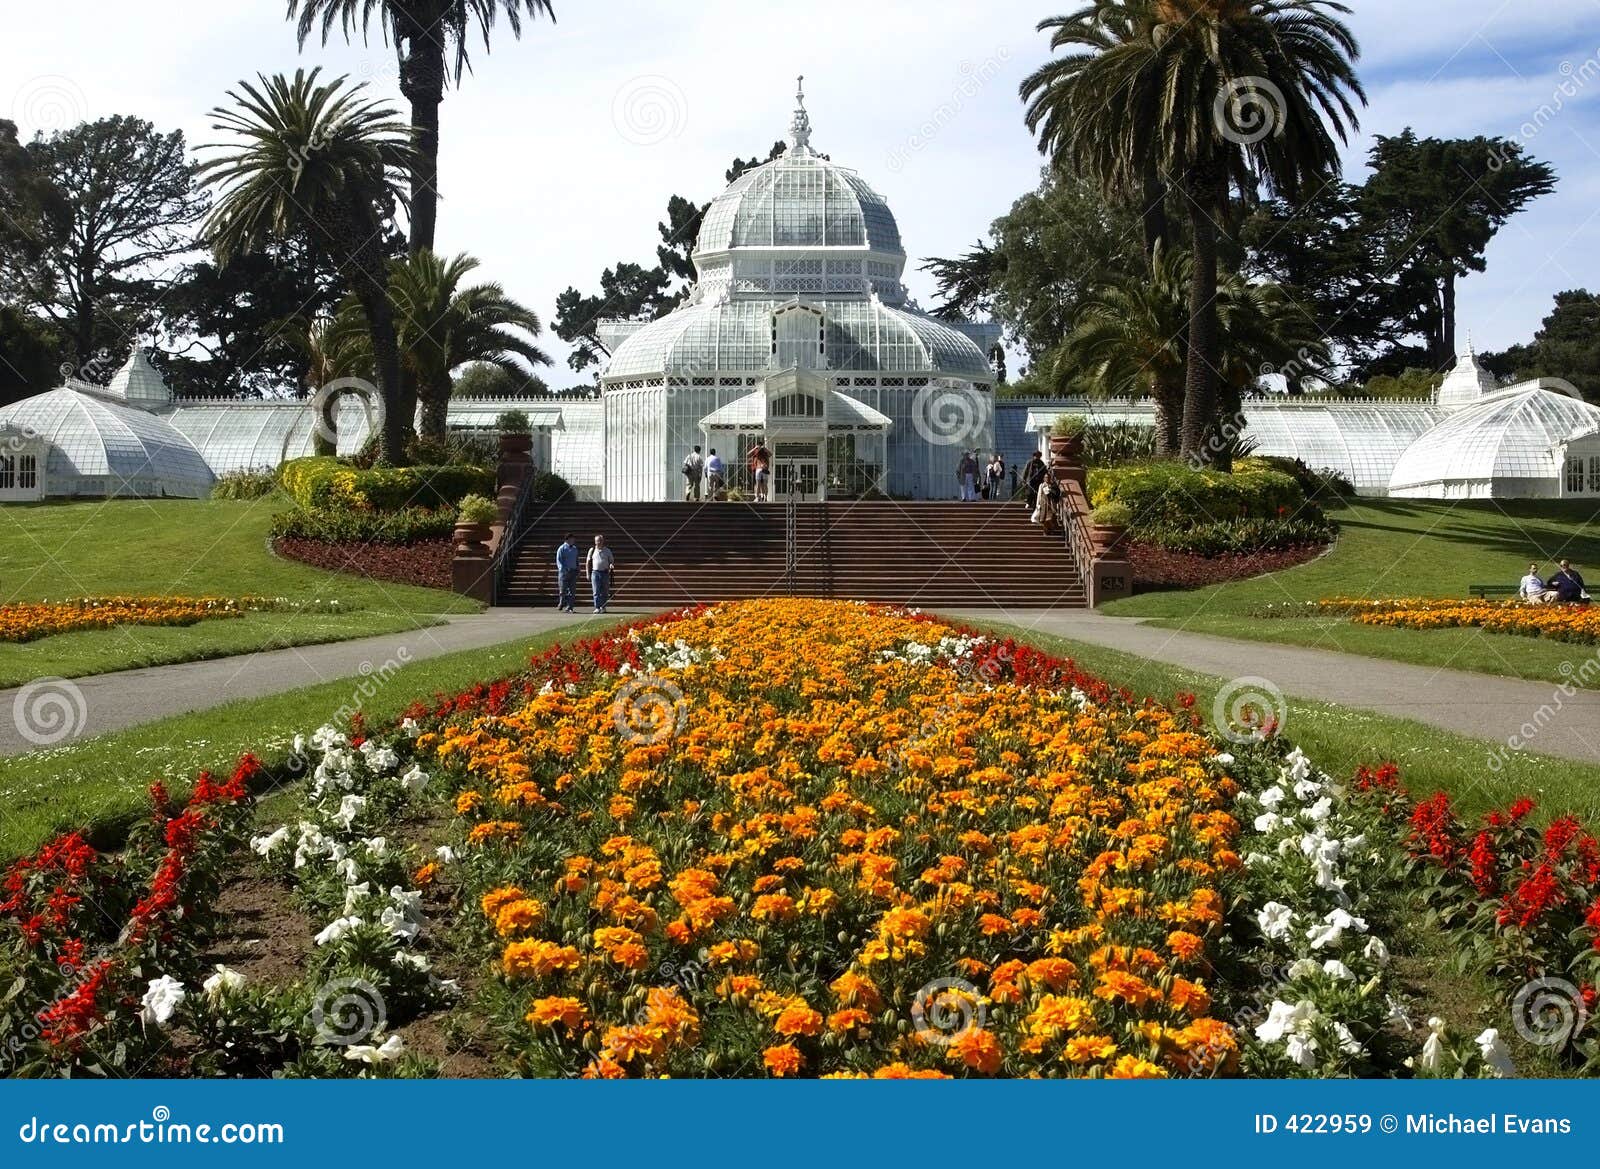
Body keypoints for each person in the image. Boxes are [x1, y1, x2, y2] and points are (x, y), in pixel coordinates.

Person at [586, 534, 614, 614]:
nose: (599, 542)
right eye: (597, 541)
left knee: (605, 591)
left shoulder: (607, 550)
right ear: (595, 542)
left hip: (605, 573)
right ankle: (597, 607)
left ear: (603, 541)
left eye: (601, 540)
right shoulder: (592, 550)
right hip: (595, 572)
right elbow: (587, 562)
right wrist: (587, 573)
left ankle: (603, 607)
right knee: (596, 591)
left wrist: (611, 565)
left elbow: (611, 561)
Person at [554, 532, 579, 613]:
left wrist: (578, 568)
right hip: (564, 572)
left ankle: (570, 607)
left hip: (573, 571)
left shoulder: (575, 548)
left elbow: (576, 559)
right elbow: (559, 560)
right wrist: (563, 570)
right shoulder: (561, 548)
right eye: (572, 538)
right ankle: (561, 602)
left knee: (572, 591)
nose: (573, 540)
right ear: (568, 539)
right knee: (563, 590)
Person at [748, 438, 771, 502]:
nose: (760, 447)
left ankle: (765, 497)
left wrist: (765, 449)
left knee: (764, 484)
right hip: (758, 468)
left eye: (760, 445)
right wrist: (755, 448)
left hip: (763, 468)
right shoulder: (756, 451)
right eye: (759, 445)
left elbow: (770, 454)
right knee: (758, 484)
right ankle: (759, 497)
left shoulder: (765, 451)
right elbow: (748, 454)